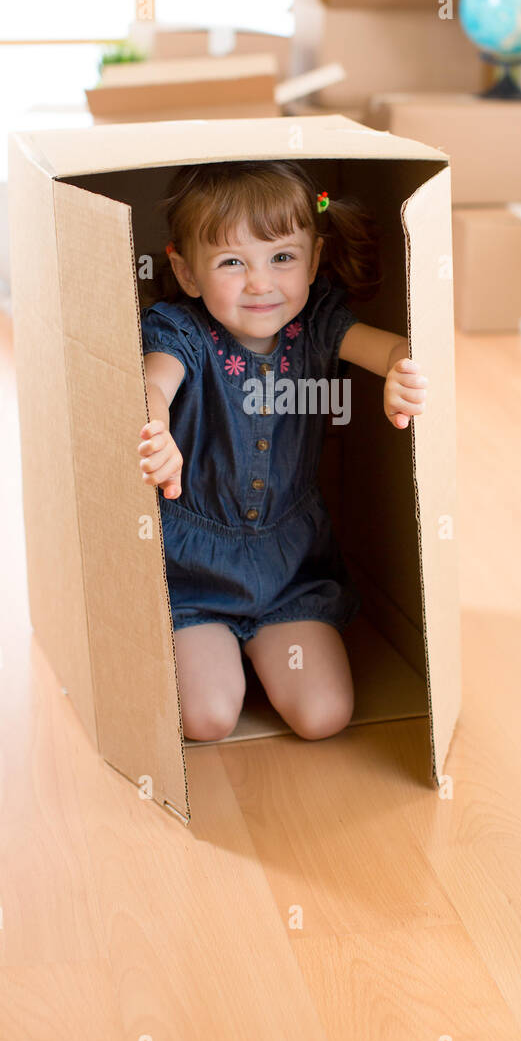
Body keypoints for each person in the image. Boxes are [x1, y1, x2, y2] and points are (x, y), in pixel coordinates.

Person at [137, 159, 428, 743]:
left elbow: (394, 347)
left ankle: (261, 648)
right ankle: (216, 646)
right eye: (231, 262)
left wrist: (401, 372)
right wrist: (155, 430)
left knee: (323, 716)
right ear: (186, 271)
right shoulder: (183, 329)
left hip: (290, 569)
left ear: (314, 258)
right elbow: (153, 383)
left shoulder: (318, 324)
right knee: (208, 718)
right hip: (193, 573)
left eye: (282, 257)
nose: (261, 283)